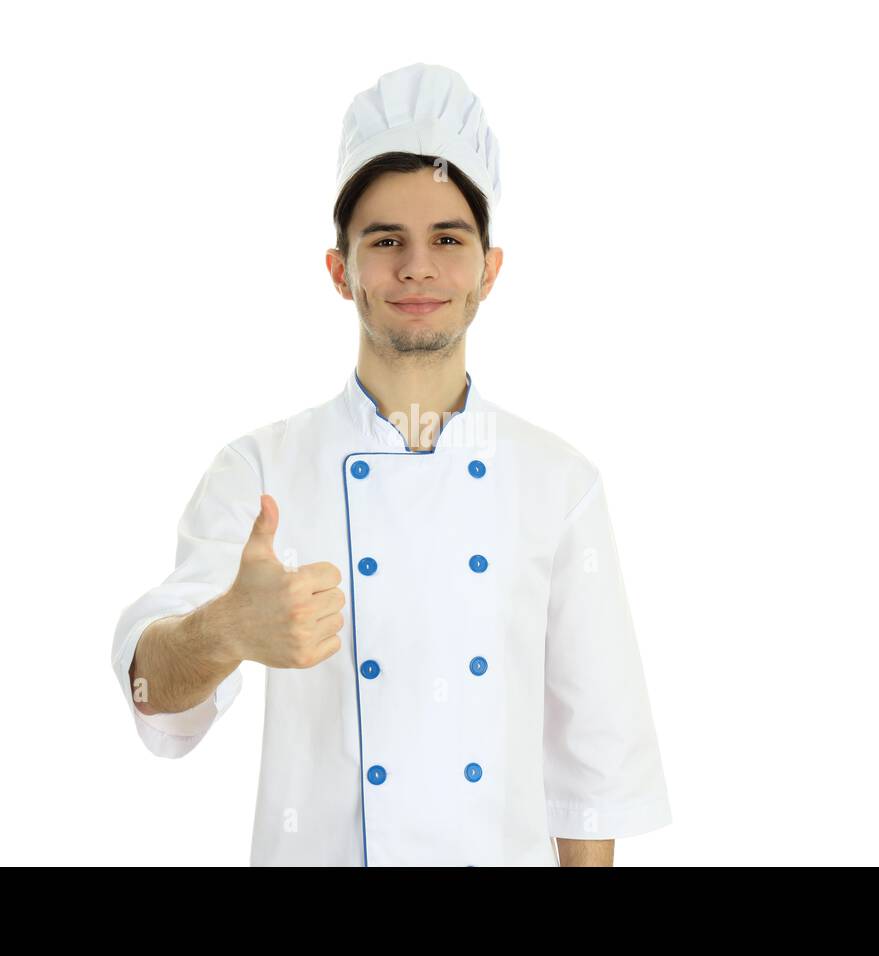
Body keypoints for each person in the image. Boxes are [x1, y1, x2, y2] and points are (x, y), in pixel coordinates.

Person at [112, 62, 672, 867]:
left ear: (490, 269)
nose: (417, 267)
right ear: (340, 270)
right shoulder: (258, 470)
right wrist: (228, 626)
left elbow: (591, 770)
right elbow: (152, 694)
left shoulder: (561, 485)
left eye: (448, 239)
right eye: (385, 241)